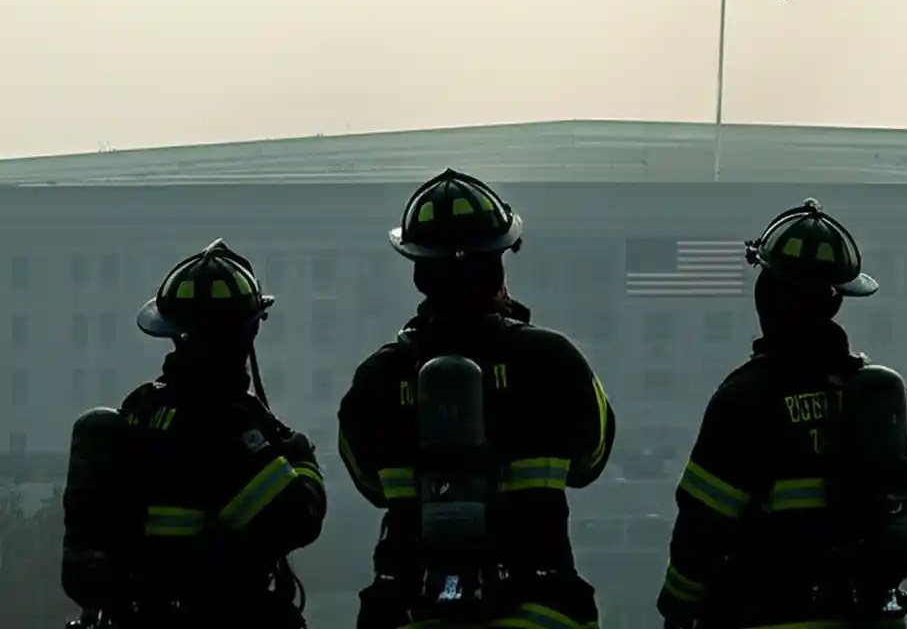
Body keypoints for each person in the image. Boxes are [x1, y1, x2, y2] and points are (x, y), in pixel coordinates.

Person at [338, 168, 616, 629]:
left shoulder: (377, 378)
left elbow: (369, 485)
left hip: (408, 607)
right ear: (498, 264)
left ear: (419, 271)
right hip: (540, 607)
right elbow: (591, 461)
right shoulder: (553, 360)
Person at [657, 198, 907, 629]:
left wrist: (676, 608)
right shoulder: (885, 396)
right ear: (836, 302)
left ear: (766, 296)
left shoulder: (744, 400)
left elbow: (701, 530)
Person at [60, 239, 327, 629]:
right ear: (247, 332)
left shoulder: (139, 409)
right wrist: (299, 454)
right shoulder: (229, 424)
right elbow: (299, 517)